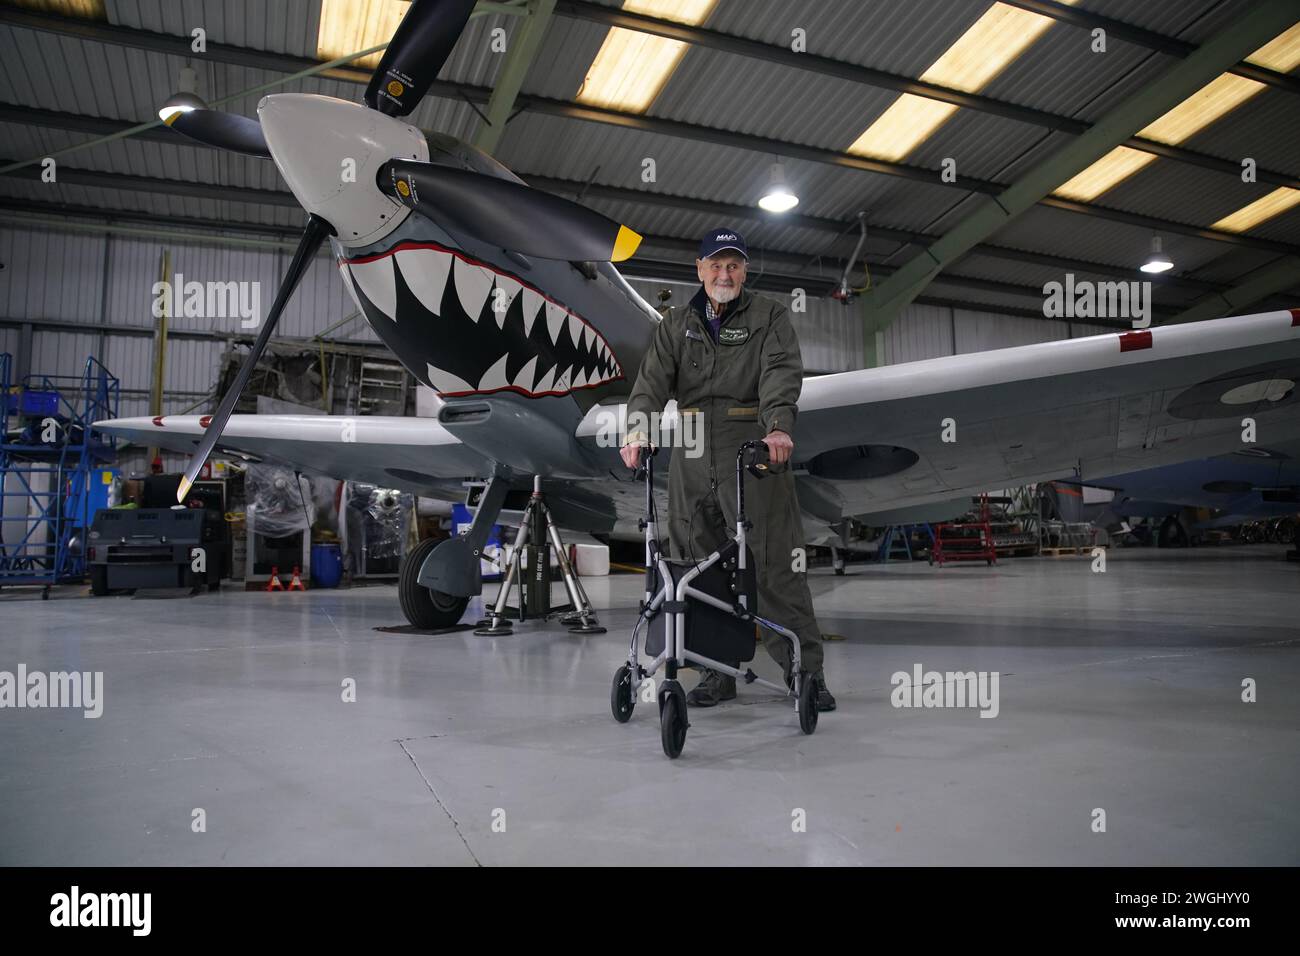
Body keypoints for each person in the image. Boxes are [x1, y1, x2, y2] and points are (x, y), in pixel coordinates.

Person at [620, 229, 835, 711]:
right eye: (716, 265)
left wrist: (778, 426)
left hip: (751, 448)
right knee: (696, 568)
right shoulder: (676, 324)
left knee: (775, 565)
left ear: (745, 271)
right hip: (692, 448)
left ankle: (807, 673)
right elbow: (650, 383)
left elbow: (780, 373)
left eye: (734, 265)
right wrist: (638, 429)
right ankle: (716, 674)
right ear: (699, 269)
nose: (724, 274)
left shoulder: (769, 316)